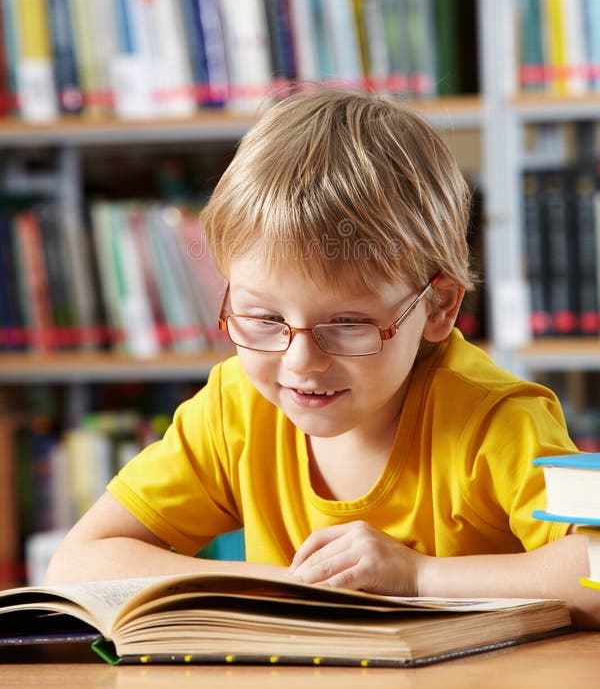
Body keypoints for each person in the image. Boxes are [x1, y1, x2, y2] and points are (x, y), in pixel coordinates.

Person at [46, 88, 599, 627]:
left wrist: (419, 578)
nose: (301, 361)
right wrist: (291, 591)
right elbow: (79, 564)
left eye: (348, 324)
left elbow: (594, 573)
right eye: (263, 320)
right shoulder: (233, 409)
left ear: (438, 306)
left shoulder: (496, 420)